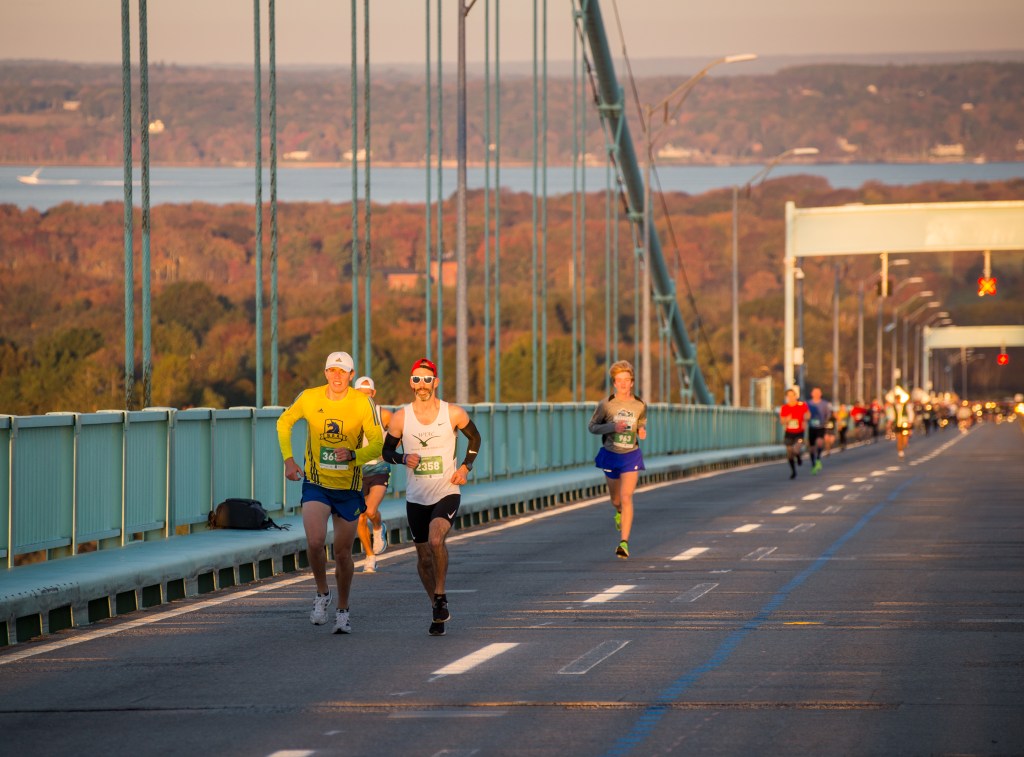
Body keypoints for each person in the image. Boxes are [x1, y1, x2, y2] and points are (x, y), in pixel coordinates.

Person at [276, 351, 383, 635]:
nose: (337, 376)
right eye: (332, 371)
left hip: (348, 489)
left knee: (343, 553)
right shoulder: (310, 398)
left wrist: (353, 454)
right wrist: (288, 459)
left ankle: (343, 611)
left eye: (343, 371)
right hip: (316, 483)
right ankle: (323, 593)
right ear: (325, 373)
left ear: (351, 375)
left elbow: (377, 444)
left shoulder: (363, 403)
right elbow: (283, 422)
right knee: (314, 541)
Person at [381, 357, 482, 636]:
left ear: (435, 383)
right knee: (424, 557)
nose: (422, 385)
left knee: (437, 538)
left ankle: (441, 594)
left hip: (446, 490)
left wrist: (465, 467)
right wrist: (403, 458)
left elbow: (475, 439)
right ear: (411, 383)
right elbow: (386, 452)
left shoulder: (453, 413)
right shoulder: (401, 417)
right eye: (416, 379)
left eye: (427, 379)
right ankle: (436, 607)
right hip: (416, 497)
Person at [587, 360, 647, 560]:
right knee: (616, 499)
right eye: (618, 380)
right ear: (614, 383)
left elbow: (640, 422)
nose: (622, 384)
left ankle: (624, 543)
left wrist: (641, 430)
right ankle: (619, 511)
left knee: (627, 495)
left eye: (626, 380)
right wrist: (612, 428)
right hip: (611, 454)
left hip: (631, 454)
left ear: (632, 382)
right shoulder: (606, 405)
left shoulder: (640, 405)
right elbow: (593, 427)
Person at [353, 375, 392, 573]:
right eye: (360, 395)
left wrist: (390, 451)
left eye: (367, 395)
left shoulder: (382, 414)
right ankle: (370, 556)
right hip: (357, 471)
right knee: (359, 517)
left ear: (373, 394)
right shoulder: (349, 415)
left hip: (378, 469)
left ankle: (378, 527)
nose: (364, 398)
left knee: (369, 510)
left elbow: (398, 433)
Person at [779, 387, 810, 479]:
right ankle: (793, 471)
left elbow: (808, 414)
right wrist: (786, 419)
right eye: (789, 396)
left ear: (796, 396)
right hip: (789, 432)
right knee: (789, 452)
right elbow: (782, 421)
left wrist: (805, 418)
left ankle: (799, 456)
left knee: (796, 449)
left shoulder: (802, 405)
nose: (791, 398)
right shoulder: (784, 408)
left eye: (792, 396)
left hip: (799, 432)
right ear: (786, 397)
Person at [806, 386, 832, 474]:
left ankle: (818, 459)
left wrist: (825, 421)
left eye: (818, 393)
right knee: (811, 447)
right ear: (812, 394)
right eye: (815, 392)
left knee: (820, 442)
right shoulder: (808, 403)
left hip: (821, 426)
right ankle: (813, 464)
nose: (816, 394)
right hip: (811, 427)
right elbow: (804, 414)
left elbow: (828, 414)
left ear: (820, 394)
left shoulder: (825, 404)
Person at [888, 385, 914, 459]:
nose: (898, 400)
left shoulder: (905, 406)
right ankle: (900, 452)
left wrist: (910, 422)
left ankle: (905, 444)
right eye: (897, 399)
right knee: (899, 438)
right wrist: (890, 422)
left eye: (899, 399)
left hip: (904, 424)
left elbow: (910, 413)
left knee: (905, 438)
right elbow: (891, 415)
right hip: (897, 424)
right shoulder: (893, 407)